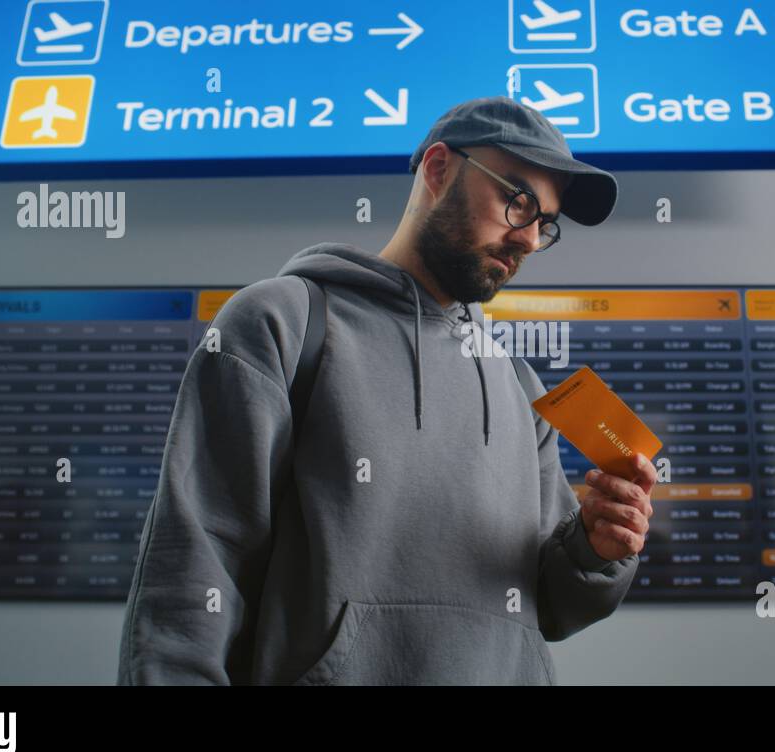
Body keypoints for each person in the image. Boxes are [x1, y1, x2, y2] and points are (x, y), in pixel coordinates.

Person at [118, 96, 656, 685]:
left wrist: (596, 550)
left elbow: (547, 608)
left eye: (545, 223)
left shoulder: (521, 387)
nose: (529, 238)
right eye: (518, 200)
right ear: (438, 169)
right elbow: (194, 568)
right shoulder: (281, 323)